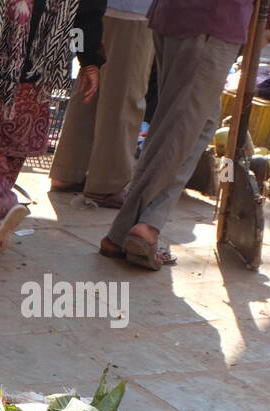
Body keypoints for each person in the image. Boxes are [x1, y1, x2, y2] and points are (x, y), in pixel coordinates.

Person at [0, 0, 108, 257]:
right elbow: (88, 8)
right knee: (11, 144)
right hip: (36, 57)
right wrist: (90, 57)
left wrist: (90, 58)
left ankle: (0, 208)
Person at [101, 0, 252, 270]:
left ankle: (144, 223)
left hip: (176, 15)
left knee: (199, 125)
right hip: (211, 19)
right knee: (179, 129)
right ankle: (133, 229)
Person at [50, 0, 155, 207]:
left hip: (98, 10)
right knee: (124, 95)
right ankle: (108, 184)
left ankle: (69, 171)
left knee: (89, 85)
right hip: (133, 12)